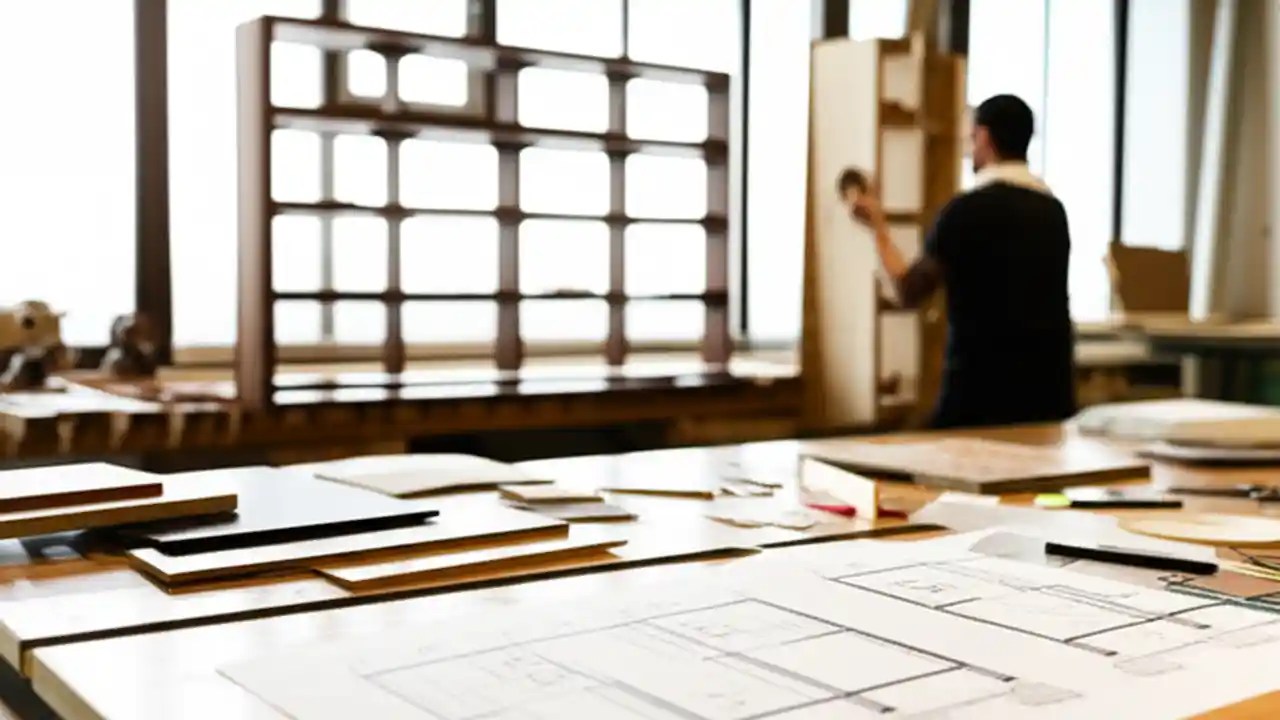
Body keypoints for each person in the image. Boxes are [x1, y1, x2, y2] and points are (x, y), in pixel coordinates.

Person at [847, 94, 1076, 429]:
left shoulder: (965, 212)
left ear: (983, 136)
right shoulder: (1053, 213)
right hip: (1048, 401)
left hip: (979, 402)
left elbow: (909, 290)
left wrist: (877, 227)